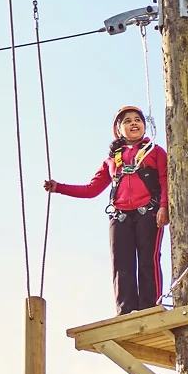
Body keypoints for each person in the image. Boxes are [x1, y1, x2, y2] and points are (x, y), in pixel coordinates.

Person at [44, 106, 169, 315]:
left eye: (137, 120)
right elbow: (91, 189)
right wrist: (59, 188)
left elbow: (165, 179)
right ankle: (126, 310)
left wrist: (164, 206)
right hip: (120, 216)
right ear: (118, 130)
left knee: (148, 259)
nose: (134, 123)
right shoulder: (112, 160)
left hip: (148, 213)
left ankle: (150, 307)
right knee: (121, 264)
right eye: (127, 121)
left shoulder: (155, 152)